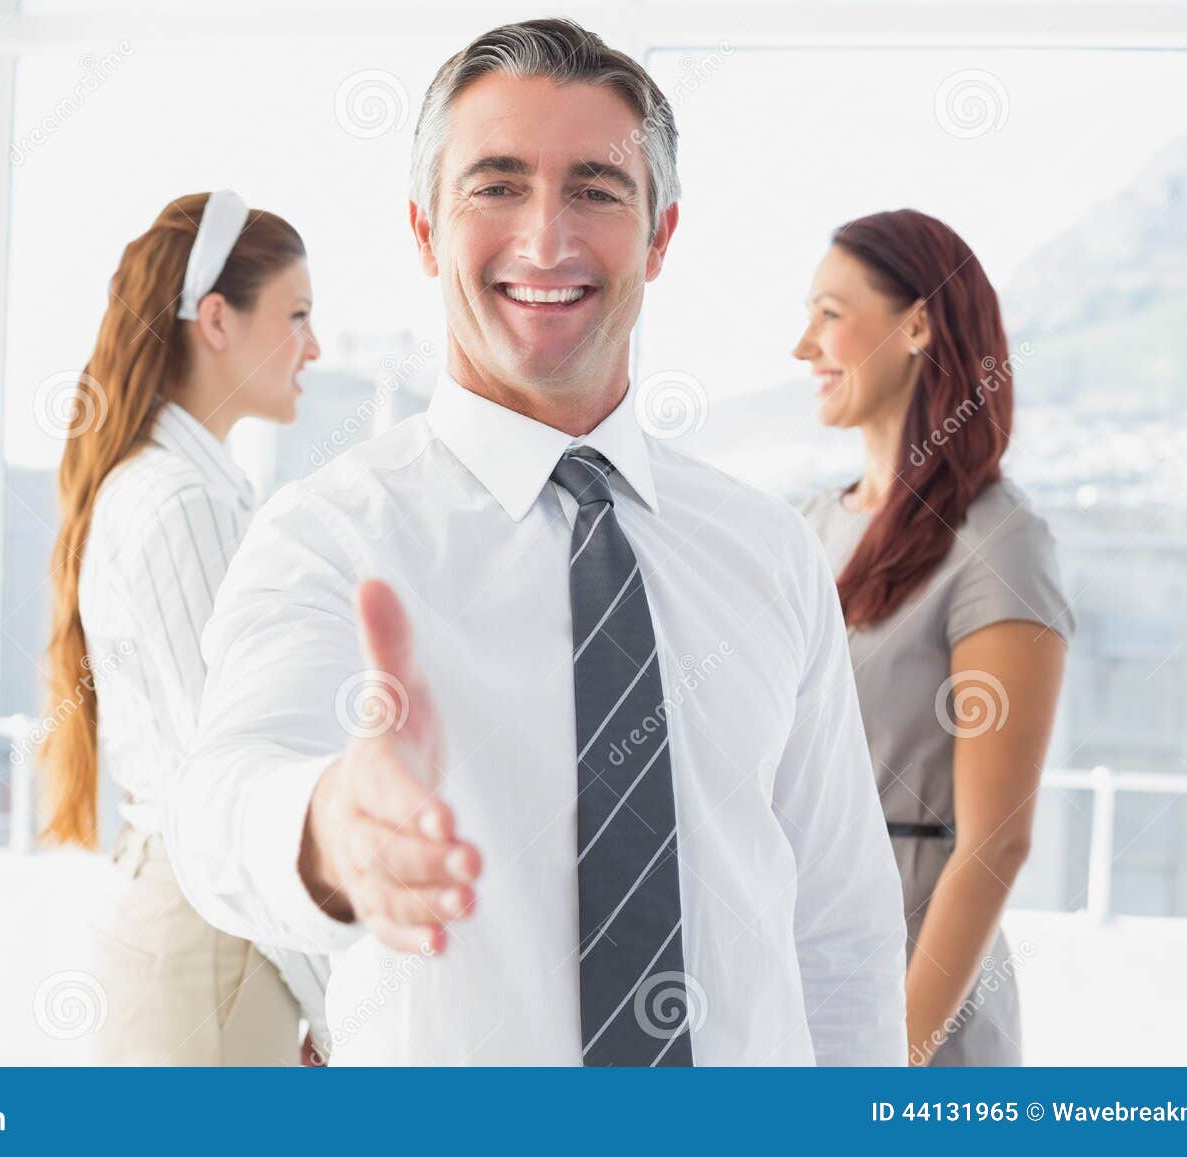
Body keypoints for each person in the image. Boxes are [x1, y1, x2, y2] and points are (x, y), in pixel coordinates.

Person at [166, 19, 907, 1066]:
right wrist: (331, 827)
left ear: (659, 236)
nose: (547, 239)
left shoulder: (767, 550)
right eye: (496, 185)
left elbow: (840, 935)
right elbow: (224, 797)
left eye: (597, 190)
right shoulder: (330, 534)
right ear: (425, 230)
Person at [38, 190, 326, 1065]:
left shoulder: (166, 485)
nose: (315, 346)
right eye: (298, 315)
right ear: (217, 320)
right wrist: (328, 990)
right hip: (217, 942)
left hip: (191, 932)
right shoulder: (186, 503)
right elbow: (227, 784)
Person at [794, 209, 1074, 1065]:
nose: (803, 347)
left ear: (918, 324)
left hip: (922, 1006)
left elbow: (997, 841)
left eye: (830, 314)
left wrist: (895, 1052)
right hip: (800, 978)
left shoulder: (998, 542)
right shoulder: (807, 528)